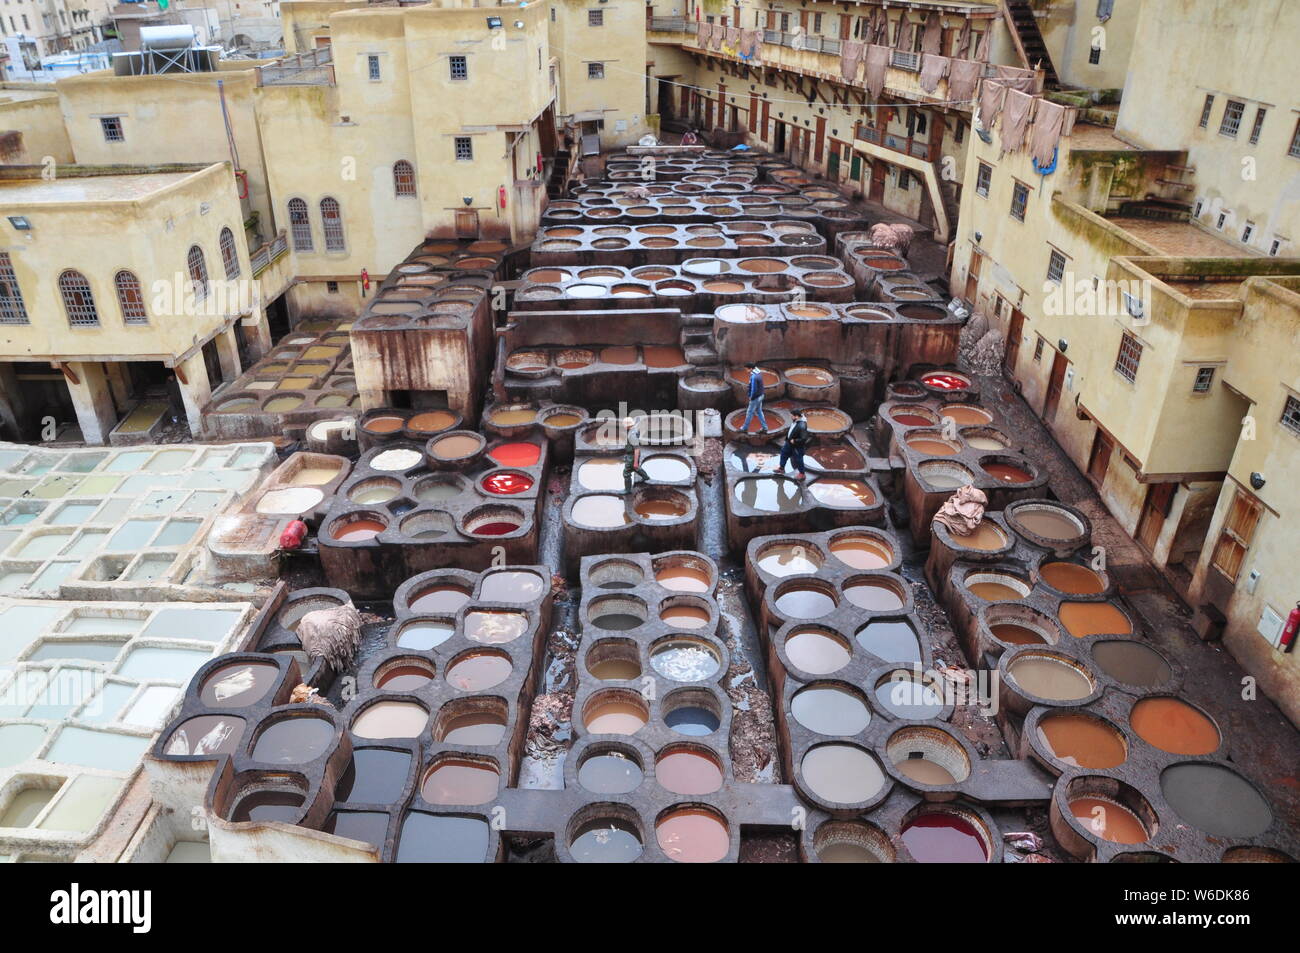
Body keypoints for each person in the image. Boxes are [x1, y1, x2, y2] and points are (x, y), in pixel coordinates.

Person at [775, 408, 809, 479]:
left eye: (792, 415)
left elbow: (804, 439)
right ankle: (781, 468)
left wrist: (795, 441)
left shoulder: (802, 426)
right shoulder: (796, 421)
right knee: (784, 453)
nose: (791, 417)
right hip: (789, 443)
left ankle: (802, 474)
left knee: (798, 459)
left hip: (797, 446)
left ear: (796, 416)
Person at [622, 416, 649, 493]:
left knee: (626, 472)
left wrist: (635, 461)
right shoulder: (634, 429)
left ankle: (627, 490)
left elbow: (636, 449)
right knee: (635, 468)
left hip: (632, 455)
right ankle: (645, 477)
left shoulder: (632, 435)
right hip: (631, 453)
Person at [741, 362, 768, 433]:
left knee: (749, 412)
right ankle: (765, 428)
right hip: (761, 395)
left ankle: (744, 428)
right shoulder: (758, 373)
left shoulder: (754, 377)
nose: (746, 370)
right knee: (759, 411)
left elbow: (754, 389)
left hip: (756, 397)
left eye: (746, 369)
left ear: (751, 368)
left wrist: (751, 397)